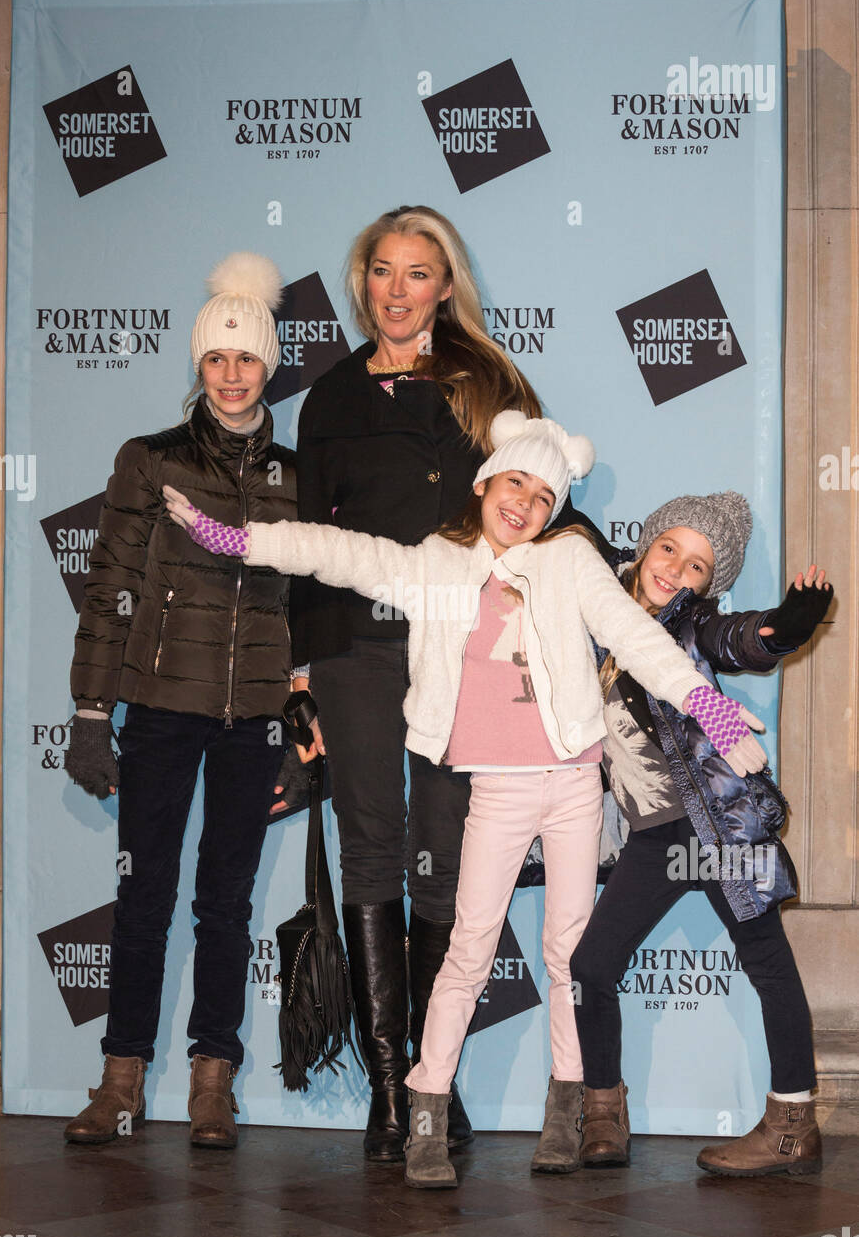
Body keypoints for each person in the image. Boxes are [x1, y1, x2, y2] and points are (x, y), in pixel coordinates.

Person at [163, 411, 764, 1186]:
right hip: (498, 792)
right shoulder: (436, 565)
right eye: (515, 481)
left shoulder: (569, 564)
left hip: (575, 786)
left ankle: (566, 1110)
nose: (526, 503)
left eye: (545, 495)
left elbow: (637, 638)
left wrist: (706, 704)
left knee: (567, 955)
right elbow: (337, 550)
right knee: (467, 950)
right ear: (485, 482)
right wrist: (239, 539)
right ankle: (426, 1113)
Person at [287, 204, 609, 1161]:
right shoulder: (331, 396)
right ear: (363, 284)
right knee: (371, 850)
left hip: (456, 645)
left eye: (417, 272)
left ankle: (436, 1079)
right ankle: (393, 1094)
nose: (396, 288)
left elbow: (536, 509)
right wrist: (299, 679)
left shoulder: (491, 383)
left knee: (443, 861)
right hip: (352, 645)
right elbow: (308, 544)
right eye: (380, 270)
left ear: (445, 284)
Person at [62, 252, 297, 1150]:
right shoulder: (148, 460)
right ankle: (120, 1083)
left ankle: (213, 1084)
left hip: (254, 720)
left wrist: (301, 719)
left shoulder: (296, 474)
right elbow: (109, 583)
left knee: (226, 905)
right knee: (143, 899)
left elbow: (310, 603)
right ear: (197, 367)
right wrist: (91, 715)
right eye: (215, 359)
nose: (232, 375)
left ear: (268, 366)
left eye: (247, 360)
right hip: (159, 710)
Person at [570, 492, 832, 1176]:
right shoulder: (596, 606)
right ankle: (602, 1110)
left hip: (719, 819)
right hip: (655, 837)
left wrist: (784, 630)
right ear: (645, 545)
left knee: (768, 961)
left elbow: (739, 637)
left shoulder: (692, 625)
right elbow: (560, 519)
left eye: (697, 567)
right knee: (592, 967)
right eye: (669, 550)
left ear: (705, 588)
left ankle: (791, 1126)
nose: (677, 571)